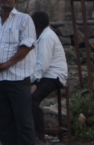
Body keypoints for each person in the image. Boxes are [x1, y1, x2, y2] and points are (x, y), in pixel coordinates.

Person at [0, 0, 37, 145]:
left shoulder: (24, 19)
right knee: (2, 122)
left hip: (17, 79)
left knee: (23, 121)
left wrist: (6, 65)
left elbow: (27, 46)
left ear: (16, 0)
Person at [30, 12, 67, 143]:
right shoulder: (43, 36)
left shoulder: (46, 37)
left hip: (54, 76)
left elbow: (43, 63)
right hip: (46, 75)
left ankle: (41, 135)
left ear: (36, 25)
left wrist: (34, 81)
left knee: (32, 100)